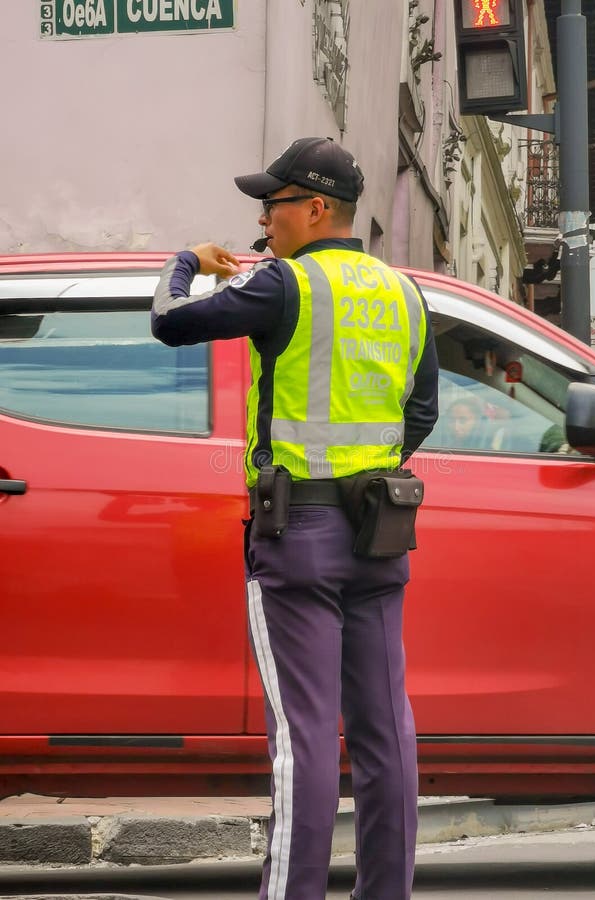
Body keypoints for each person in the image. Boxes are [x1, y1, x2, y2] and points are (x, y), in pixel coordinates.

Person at [151, 136, 439, 900]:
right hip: (380, 532)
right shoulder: (405, 294)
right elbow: (423, 410)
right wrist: (366, 468)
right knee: (385, 733)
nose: (262, 219)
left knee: (304, 740)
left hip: (298, 538)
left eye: (272, 204)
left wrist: (184, 260)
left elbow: (170, 322)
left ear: (316, 209)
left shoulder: (287, 286)